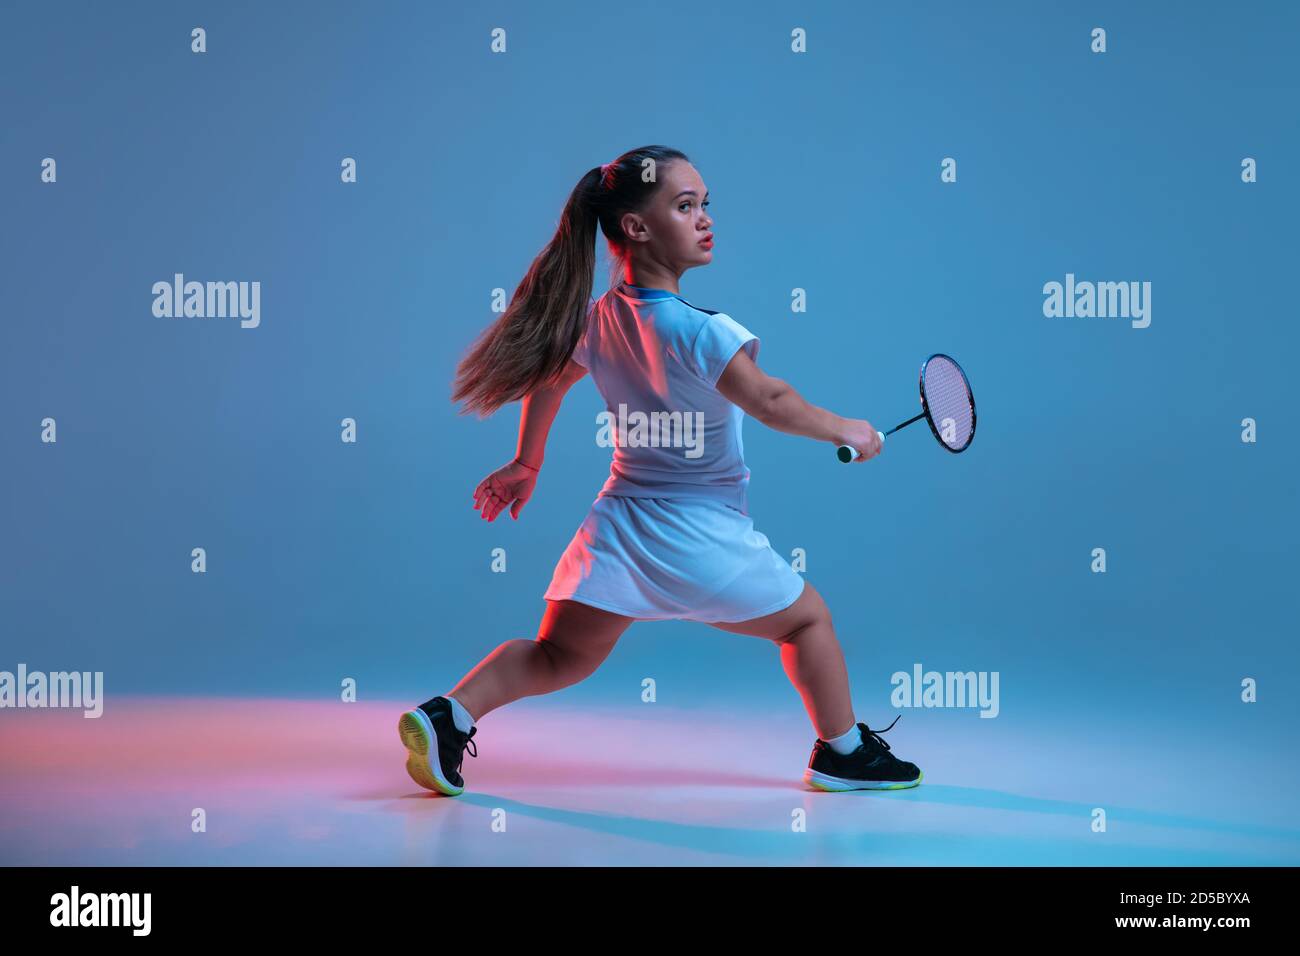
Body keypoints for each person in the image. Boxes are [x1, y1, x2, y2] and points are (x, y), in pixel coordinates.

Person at [398, 145, 922, 796]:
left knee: (557, 655)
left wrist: (527, 461)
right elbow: (771, 401)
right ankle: (842, 752)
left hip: (617, 528)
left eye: (706, 205)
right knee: (806, 622)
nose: (705, 219)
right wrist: (847, 428)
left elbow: (552, 383)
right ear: (636, 228)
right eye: (685, 205)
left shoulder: (597, 319)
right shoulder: (701, 330)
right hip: (699, 532)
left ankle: (448, 715)